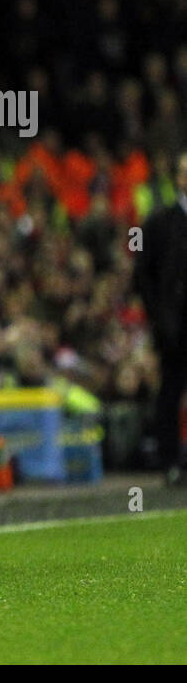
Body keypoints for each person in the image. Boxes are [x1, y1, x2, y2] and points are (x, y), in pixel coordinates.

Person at [133, 151, 187, 485]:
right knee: (170, 391)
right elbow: (142, 276)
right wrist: (159, 318)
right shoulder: (158, 223)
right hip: (175, 326)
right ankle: (169, 461)